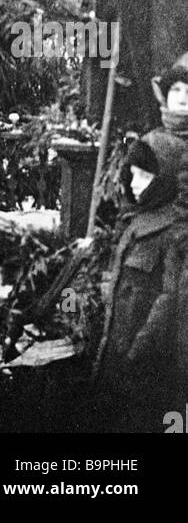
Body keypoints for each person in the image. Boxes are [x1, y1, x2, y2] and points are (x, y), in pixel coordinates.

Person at [95, 55, 188, 417]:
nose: (182, 96)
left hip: (150, 370)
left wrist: (137, 353)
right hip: (122, 359)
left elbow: (169, 302)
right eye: (175, 89)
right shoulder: (155, 144)